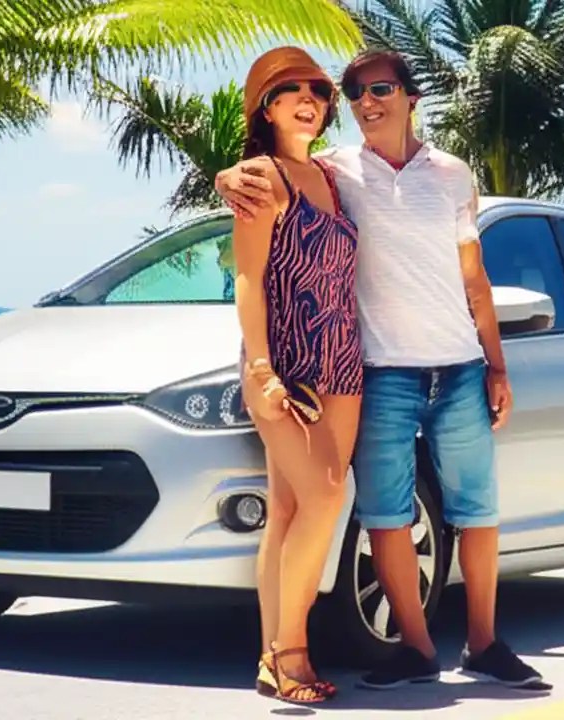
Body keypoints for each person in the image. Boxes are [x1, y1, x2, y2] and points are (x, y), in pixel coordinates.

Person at [217, 49, 545, 690]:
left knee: (468, 509)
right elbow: (255, 232)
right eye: (354, 91)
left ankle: (482, 643)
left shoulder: (438, 174)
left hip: (420, 366)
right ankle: (356, 651)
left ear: (411, 97)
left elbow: (474, 278)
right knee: (368, 509)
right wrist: (228, 177)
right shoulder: (337, 167)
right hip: (364, 368)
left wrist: (497, 366)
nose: (365, 101)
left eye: (380, 89)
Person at [231, 46, 363, 704]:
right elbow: (249, 278)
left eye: (317, 88)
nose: (309, 97)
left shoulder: (332, 177)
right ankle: (292, 653)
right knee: (327, 497)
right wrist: (260, 366)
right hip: (286, 364)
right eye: (291, 91)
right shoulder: (263, 176)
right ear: (267, 107)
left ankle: (269, 654)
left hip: (342, 362)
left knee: (288, 510)